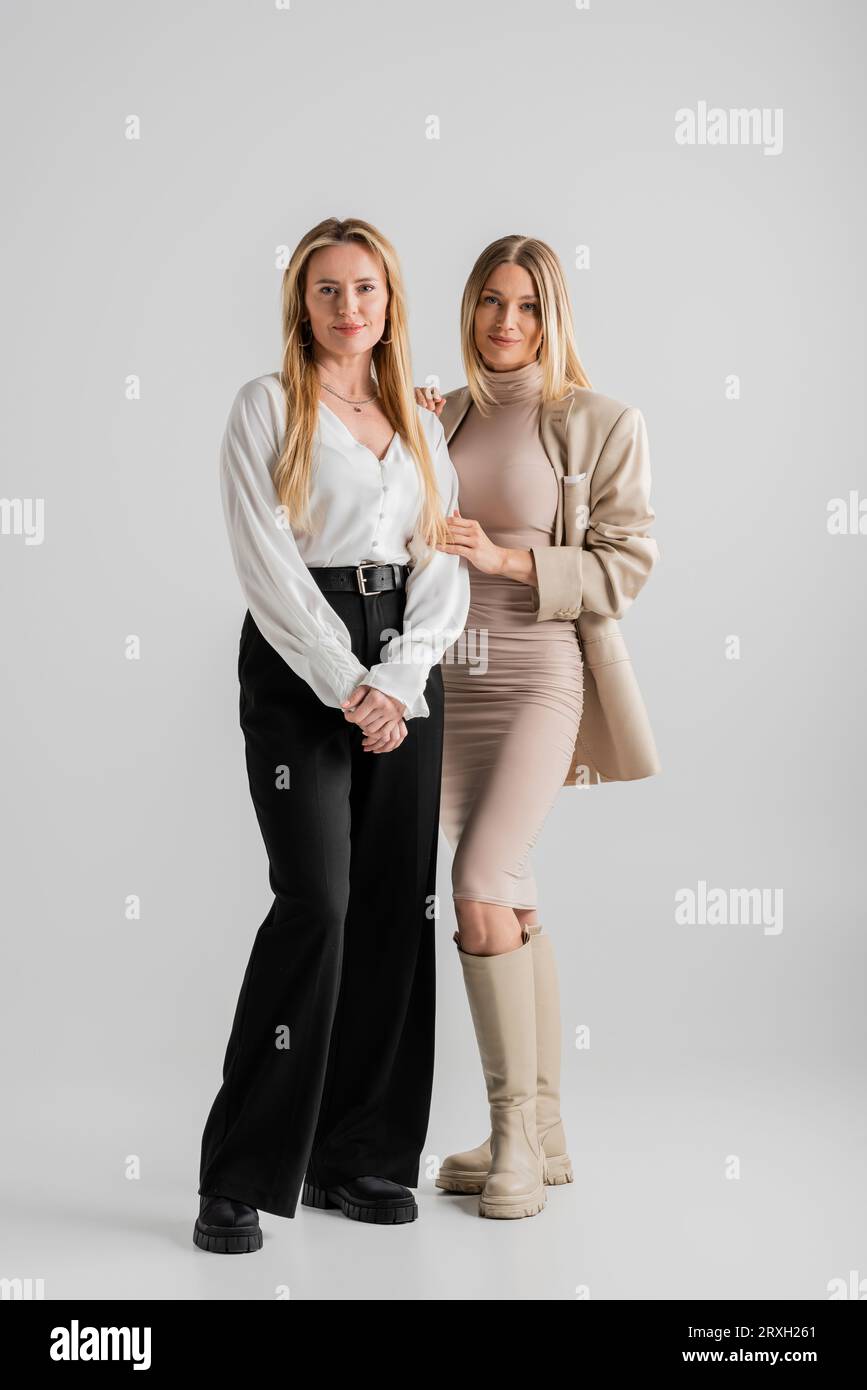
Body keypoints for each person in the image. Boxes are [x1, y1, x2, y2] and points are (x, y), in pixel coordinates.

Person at [194, 217, 469, 1252]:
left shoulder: (417, 417)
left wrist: (399, 679)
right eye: (326, 291)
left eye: (365, 288)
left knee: (399, 902)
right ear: (300, 305)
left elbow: (441, 562)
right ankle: (241, 1171)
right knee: (318, 896)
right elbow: (264, 563)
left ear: (389, 301)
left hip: (402, 654)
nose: (348, 308)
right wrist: (349, 684)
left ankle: (358, 1158)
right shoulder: (267, 406)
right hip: (301, 656)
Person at [416, 234, 660, 1219]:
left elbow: (627, 563)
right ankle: (542, 1130)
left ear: (552, 316)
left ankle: (513, 1135)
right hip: (454, 678)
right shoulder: (450, 413)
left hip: (540, 676)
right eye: (489, 303)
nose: (506, 323)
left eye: (525, 305)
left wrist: (510, 561)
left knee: (475, 878)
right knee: (506, 890)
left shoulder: (599, 421)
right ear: (470, 308)